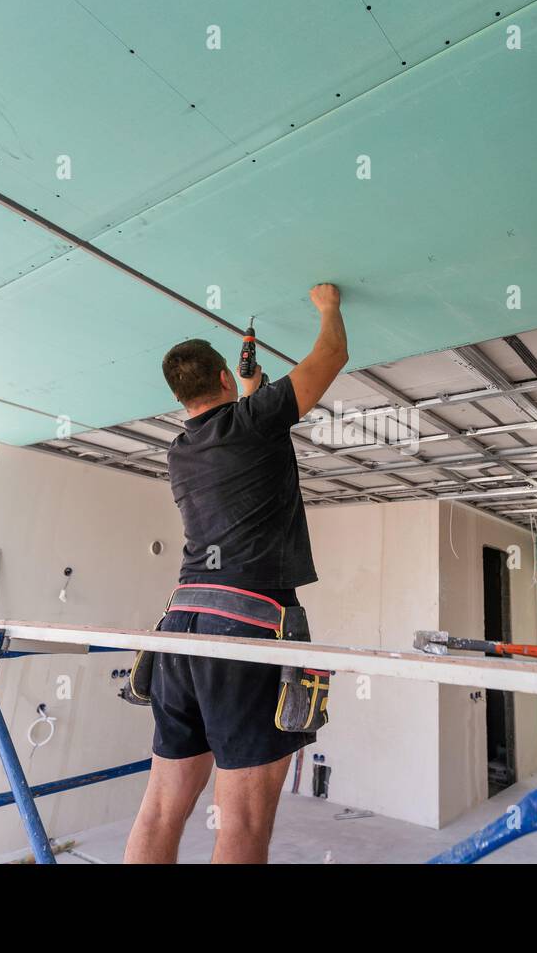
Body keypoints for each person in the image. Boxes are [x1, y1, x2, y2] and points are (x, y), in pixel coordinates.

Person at [124, 283, 348, 863]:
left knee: (160, 807)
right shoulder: (253, 422)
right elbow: (330, 359)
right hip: (246, 630)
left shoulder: (180, 449)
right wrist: (329, 306)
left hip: (179, 629)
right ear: (224, 378)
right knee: (242, 822)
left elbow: (241, 432)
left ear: (181, 396)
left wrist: (250, 390)